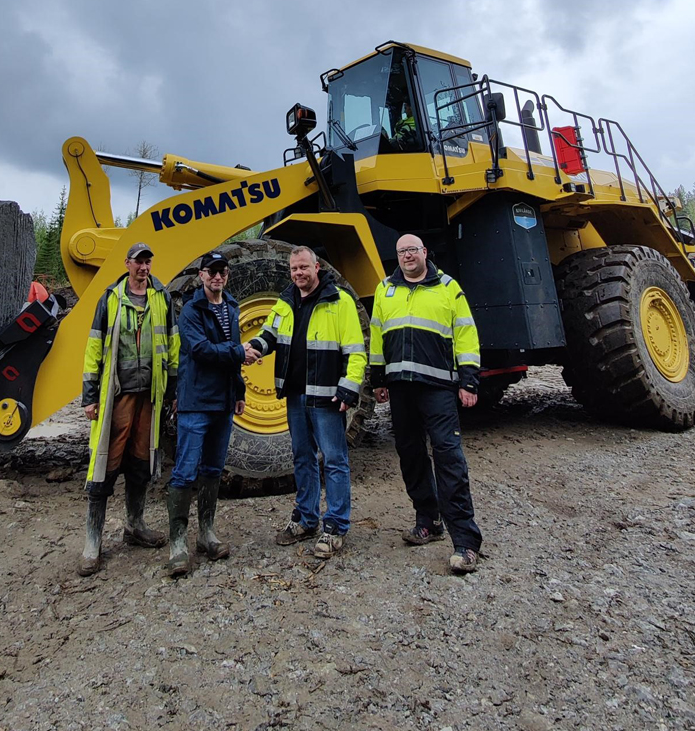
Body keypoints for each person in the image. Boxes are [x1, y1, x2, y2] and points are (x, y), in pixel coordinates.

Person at [370, 234, 483, 574]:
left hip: (437, 387)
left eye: (412, 250)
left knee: (449, 457)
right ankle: (428, 520)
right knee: (410, 453)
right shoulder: (385, 289)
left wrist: (469, 379)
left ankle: (465, 541)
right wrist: (378, 379)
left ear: (424, 253)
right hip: (401, 388)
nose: (407, 256)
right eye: (401, 251)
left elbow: (465, 334)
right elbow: (377, 333)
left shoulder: (448, 288)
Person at [246, 246, 366, 559]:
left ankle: (336, 526)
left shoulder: (339, 301)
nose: (299, 273)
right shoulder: (285, 300)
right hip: (295, 394)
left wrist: (348, 389)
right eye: (294, 269)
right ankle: (307, 518)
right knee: (302, 457)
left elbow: (355, 349)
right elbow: (269, 334)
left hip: (326, 395)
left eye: (304, 267)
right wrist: (250, 349)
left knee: (335, 459)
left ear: (316, 267)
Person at [78, 242, 179, 576]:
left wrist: (173, 390)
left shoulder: (161, 298)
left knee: (141, 460)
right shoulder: (110, 299)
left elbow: (173, 345)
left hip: (149, 395)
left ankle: (134, 525)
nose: (144, 268)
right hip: (116, 396)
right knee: (105, 461)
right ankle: (93, 542)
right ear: (127, 264)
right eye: (138, 262)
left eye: (148, 262)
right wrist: (89, 395)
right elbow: (94, 347)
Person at [166, 252, 260, 576]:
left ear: (227, 275)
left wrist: (240, 392)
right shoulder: (191, 310)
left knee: (213, 469)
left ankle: (206, 533)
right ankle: (177, 543)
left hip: (223, 402)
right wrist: (240, 352)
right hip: (196, 401)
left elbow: (233, 354)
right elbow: (200, 350)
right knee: (184, 471)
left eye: (222, 271)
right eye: (211, 271)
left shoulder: (231, 307)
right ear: (202, 275)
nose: (217, 277)